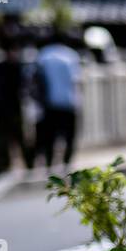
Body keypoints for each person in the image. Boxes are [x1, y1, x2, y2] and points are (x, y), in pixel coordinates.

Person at [0, 27, 35, 176]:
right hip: (8, 109)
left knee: (15, 140)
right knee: (6, 141)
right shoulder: (11, 67)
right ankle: (4, 167)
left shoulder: (11, 68)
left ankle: (25, 167)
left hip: (10, 109)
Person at [34, 30, 82, 168]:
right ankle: (67, 164)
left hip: (49, 103)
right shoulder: (71, 55)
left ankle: (49, 165)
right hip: (69, 102)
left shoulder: (43, 55)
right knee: (69, 137)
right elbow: (76, 80)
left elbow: (37, 78)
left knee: (49, 137)